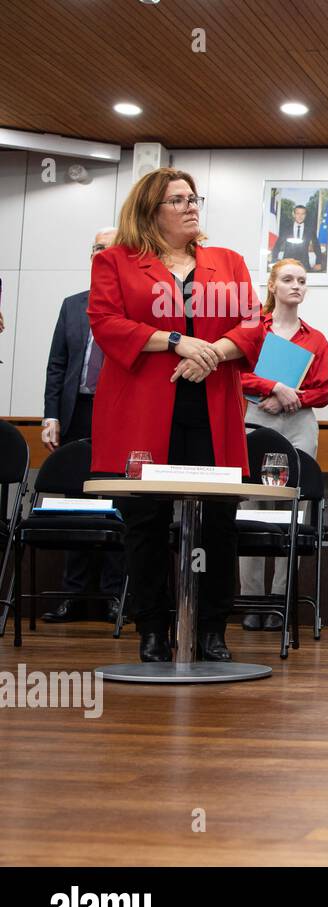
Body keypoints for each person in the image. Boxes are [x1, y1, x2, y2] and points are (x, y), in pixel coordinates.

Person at [88, 167, 265, 664]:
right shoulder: (115, 261)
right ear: (151, 211)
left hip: (212, 413)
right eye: (179, 200)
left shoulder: (226, 262)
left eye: (194, 198)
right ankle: (151, 628)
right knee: (145, 522)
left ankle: (212, 629)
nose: (192, 207)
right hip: (143, 413)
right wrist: (174, 340)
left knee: (217, 523)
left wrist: (213, 352)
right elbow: (105, 322)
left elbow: (253, 324)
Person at [238, 257, 328, 630]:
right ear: (273, 286)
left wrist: (290, 397)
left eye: (302, 280)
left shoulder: (317, 339)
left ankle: (280, 599)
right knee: (250, 508)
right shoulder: (252, 329)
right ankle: (251, 599)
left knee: (292, 509)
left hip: (297, 425)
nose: (296, 285)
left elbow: (323, 390)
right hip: (253, 420)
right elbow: (236, 373)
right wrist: (271, 387)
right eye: (288, 279)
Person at [40, 228, 126, 623]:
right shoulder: (72, 305)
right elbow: (58, 365)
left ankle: (112, 595)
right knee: (77, 503)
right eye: (97, 248)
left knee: (115, 503)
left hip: (119, 416)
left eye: (110, 248)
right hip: (76, 414)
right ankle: (73, 595)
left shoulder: (132, 305)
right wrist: (51, 415)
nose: (102, 253)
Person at [271, 204, 324, 271]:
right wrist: (274, 260)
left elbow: (316, 246)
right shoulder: (286, 229)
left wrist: (318, 263)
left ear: (305, 215)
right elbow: (277, 245)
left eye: (302, 214)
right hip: (287, 265)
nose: (300, 216)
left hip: (304, 265)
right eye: (298, 213)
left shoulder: (310, 230)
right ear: (294, 214)